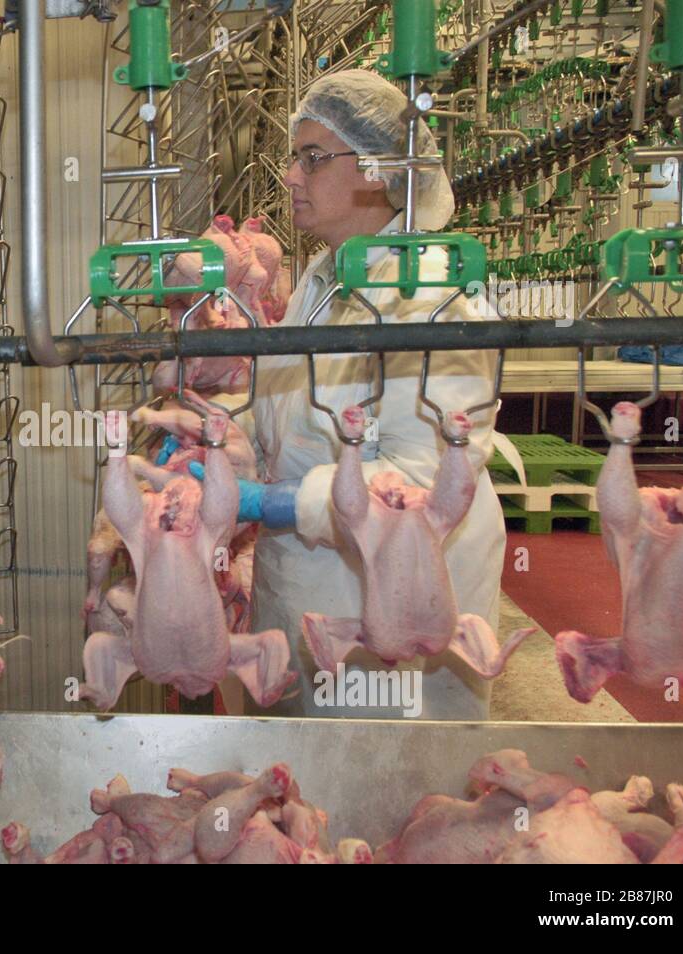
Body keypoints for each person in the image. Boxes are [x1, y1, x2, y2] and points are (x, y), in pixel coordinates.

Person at [195, 70, 507, 719]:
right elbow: (287, 407)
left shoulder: (431, 293)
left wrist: (288, 504)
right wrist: (222, 436)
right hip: (305, 594)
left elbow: (425, 481)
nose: (290, 176)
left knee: (382, 799)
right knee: (295, 796)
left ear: (377, 168)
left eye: (312, 158)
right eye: (293, 157)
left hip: (387, 617)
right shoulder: (325, 278)